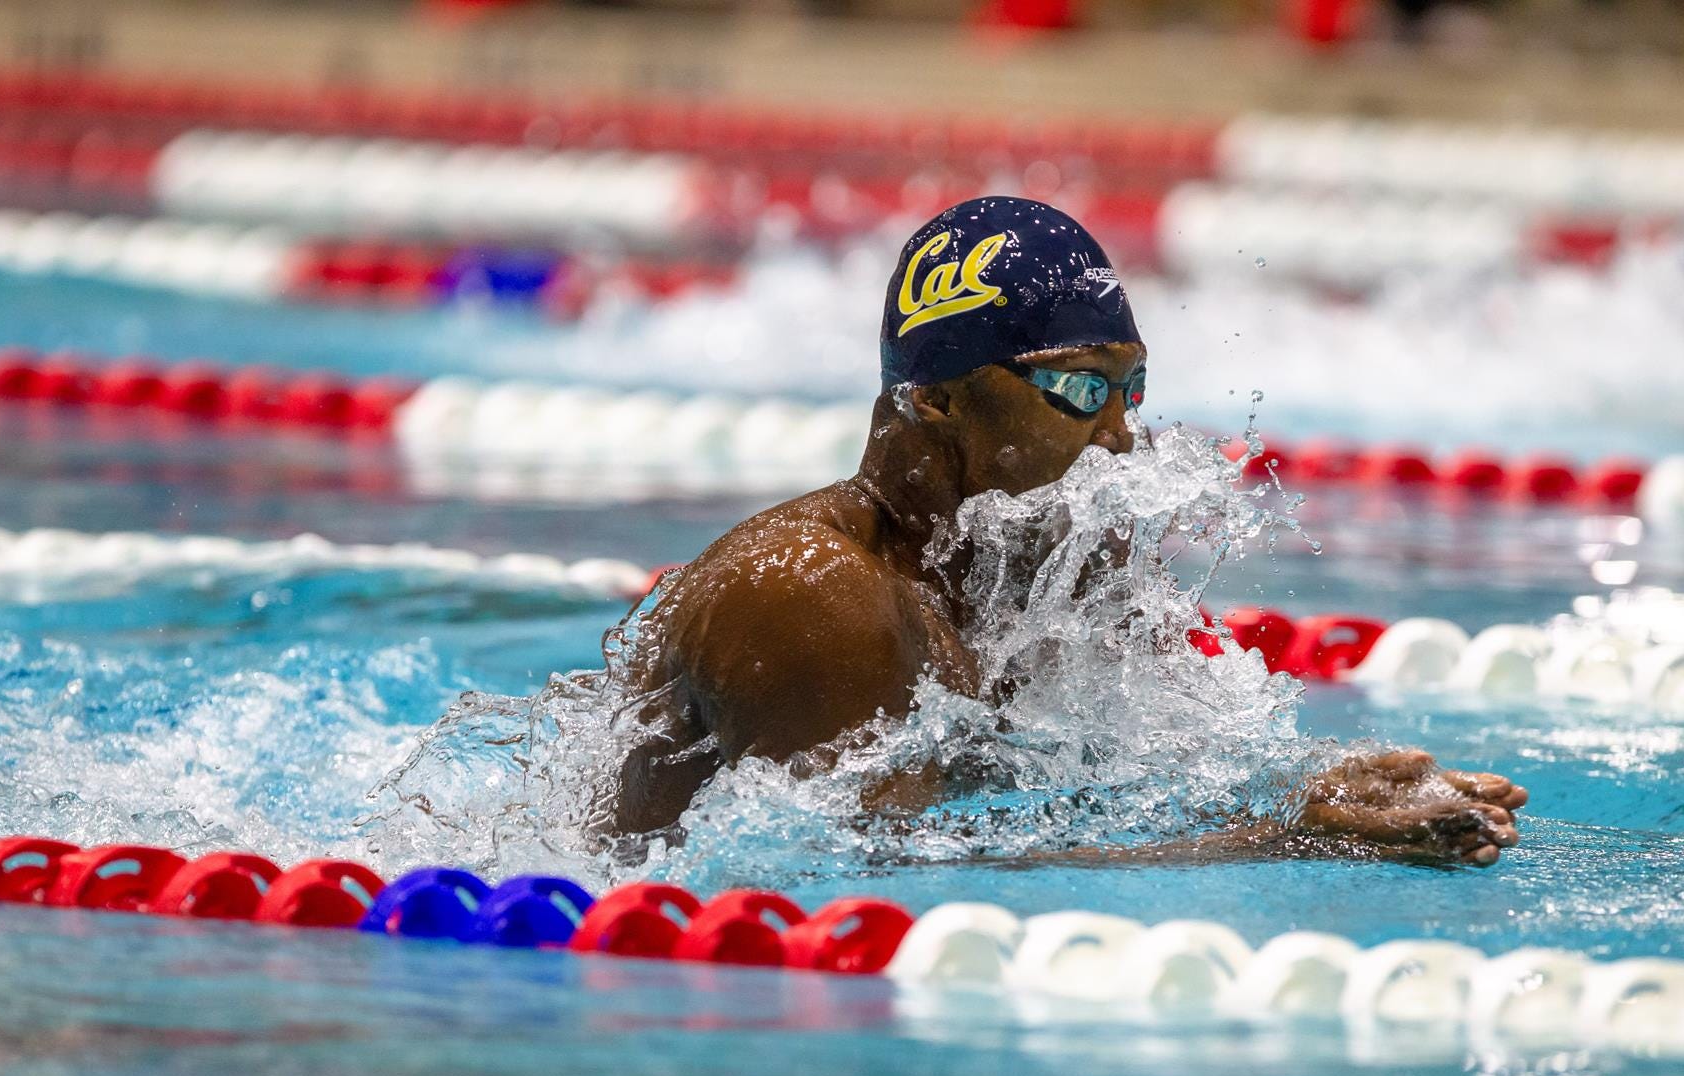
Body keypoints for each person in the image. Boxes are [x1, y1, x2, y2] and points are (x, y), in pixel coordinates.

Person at [601, 196, 1525, 864]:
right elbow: (881, 878)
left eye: (1131, 390)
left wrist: (1325, 788)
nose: (1120, 435)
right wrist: (1284, 838)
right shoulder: (813, 592)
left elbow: (1173, 772)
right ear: (939, 396)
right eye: (1080, 389)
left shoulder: (1045, 563)